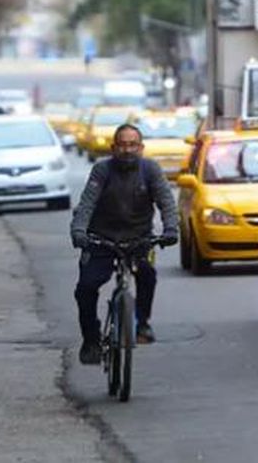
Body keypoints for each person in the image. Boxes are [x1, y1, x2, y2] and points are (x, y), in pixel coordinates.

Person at [70, 123, 179, 365]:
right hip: (102, 240)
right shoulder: (102, 170)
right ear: (113, 147)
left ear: (141, 147)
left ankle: (143, 324)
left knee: (147, 275)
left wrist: (171, 228)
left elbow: (166, 202)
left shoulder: (150, 170)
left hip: (138, 239)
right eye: (122, 145)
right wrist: (79, 231)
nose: (127, 150)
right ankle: (91, 340)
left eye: (133, 145)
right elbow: (87, 203)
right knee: (85, 289)